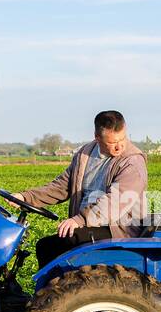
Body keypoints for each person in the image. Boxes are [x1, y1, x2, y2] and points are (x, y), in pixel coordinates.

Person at [12, 110, 148, 267]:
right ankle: (55, 288)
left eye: (123, 139)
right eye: (112, 143)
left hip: (118, 227)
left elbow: (116, 202)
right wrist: (26, 197)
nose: (119, 147)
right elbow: (61, 186)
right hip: (90, 224)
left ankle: (55, 291)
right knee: (46, 246)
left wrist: (80, 219)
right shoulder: (85, 154)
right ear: (97, 137)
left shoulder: (132, 162)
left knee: (49, 247)